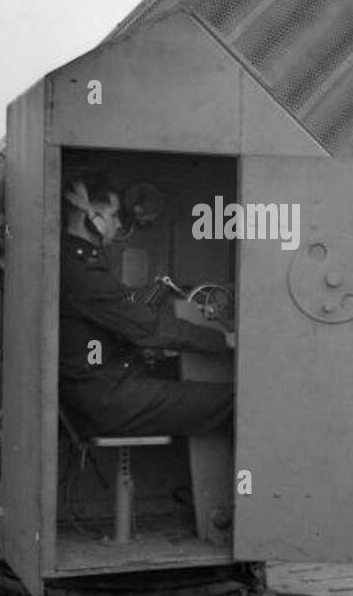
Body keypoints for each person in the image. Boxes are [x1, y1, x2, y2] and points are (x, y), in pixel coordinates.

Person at [59, 168, 234, 438]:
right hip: (109, 401)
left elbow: (123, 314)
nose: (118, 226)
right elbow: (151, 328)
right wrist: (225, 341)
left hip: (104, 390)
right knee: (237, 401)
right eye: (114, 216)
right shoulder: (81, 270)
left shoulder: (75, 260)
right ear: (91, 215)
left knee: (200, 391)